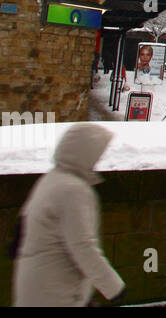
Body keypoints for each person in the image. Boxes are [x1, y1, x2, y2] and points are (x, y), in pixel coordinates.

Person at [12, 123, 126, 307]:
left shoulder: (51, 179)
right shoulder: (73, 190)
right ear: (86, 153)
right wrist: (114, 287)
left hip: (36, 285)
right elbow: (82, 246)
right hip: (54, 292)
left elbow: (24, 224)